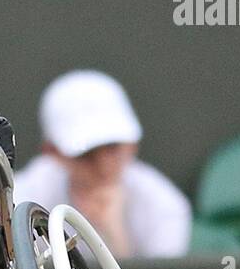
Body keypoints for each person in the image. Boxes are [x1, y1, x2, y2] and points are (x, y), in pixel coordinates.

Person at [14, 70, 191, 257]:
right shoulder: (23, 199)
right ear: (53, 152)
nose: (103, 167)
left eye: (112, 148)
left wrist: (114, 231)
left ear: (132, 145)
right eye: (86, 154)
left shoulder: (164, 204)